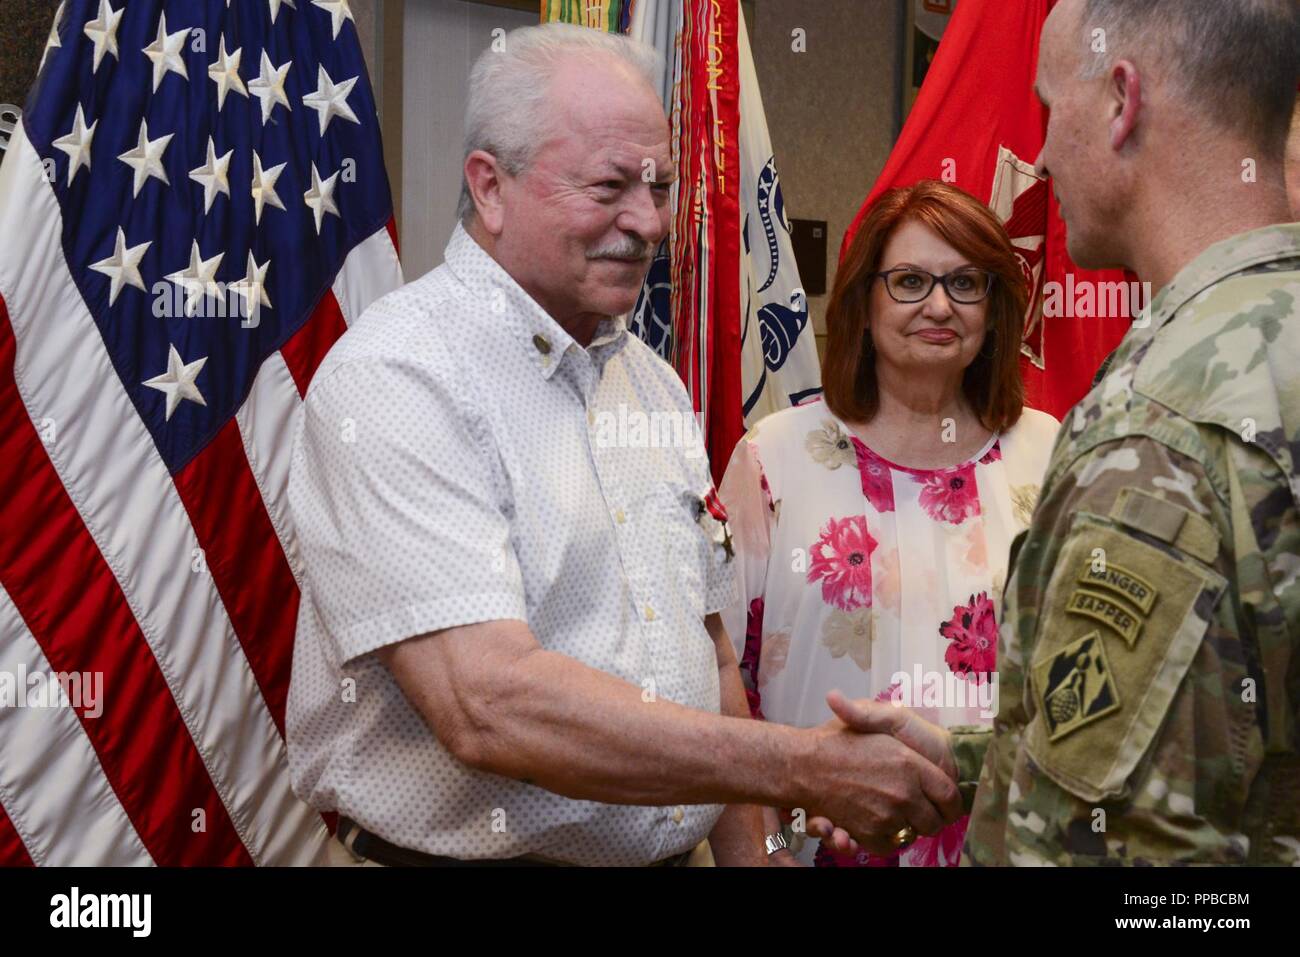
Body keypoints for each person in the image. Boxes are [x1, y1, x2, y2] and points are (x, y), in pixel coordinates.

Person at [285, 22, 961, 868]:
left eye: (662, 186)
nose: (647, 223)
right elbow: (487, 703)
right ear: (490, 187)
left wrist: (749, 854)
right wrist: (803, 765)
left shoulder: (652, 383)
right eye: (609, 186)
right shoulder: (399, 376)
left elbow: (706, 650)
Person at [823, 0, 1300, 866]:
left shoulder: (1163, 423)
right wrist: (972, 765)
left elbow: (1119, 847)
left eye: (1050, 108)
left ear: (1122, 100)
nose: (1038, 155)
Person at [719, 181, 1059, 867]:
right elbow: (723, 692)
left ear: (994, 310)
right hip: (805, 852)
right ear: (862, 304)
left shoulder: (1050, 454)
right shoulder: (772, 459)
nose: (939, 304)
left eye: (966, 282)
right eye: (908, 281)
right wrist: (761, 854)